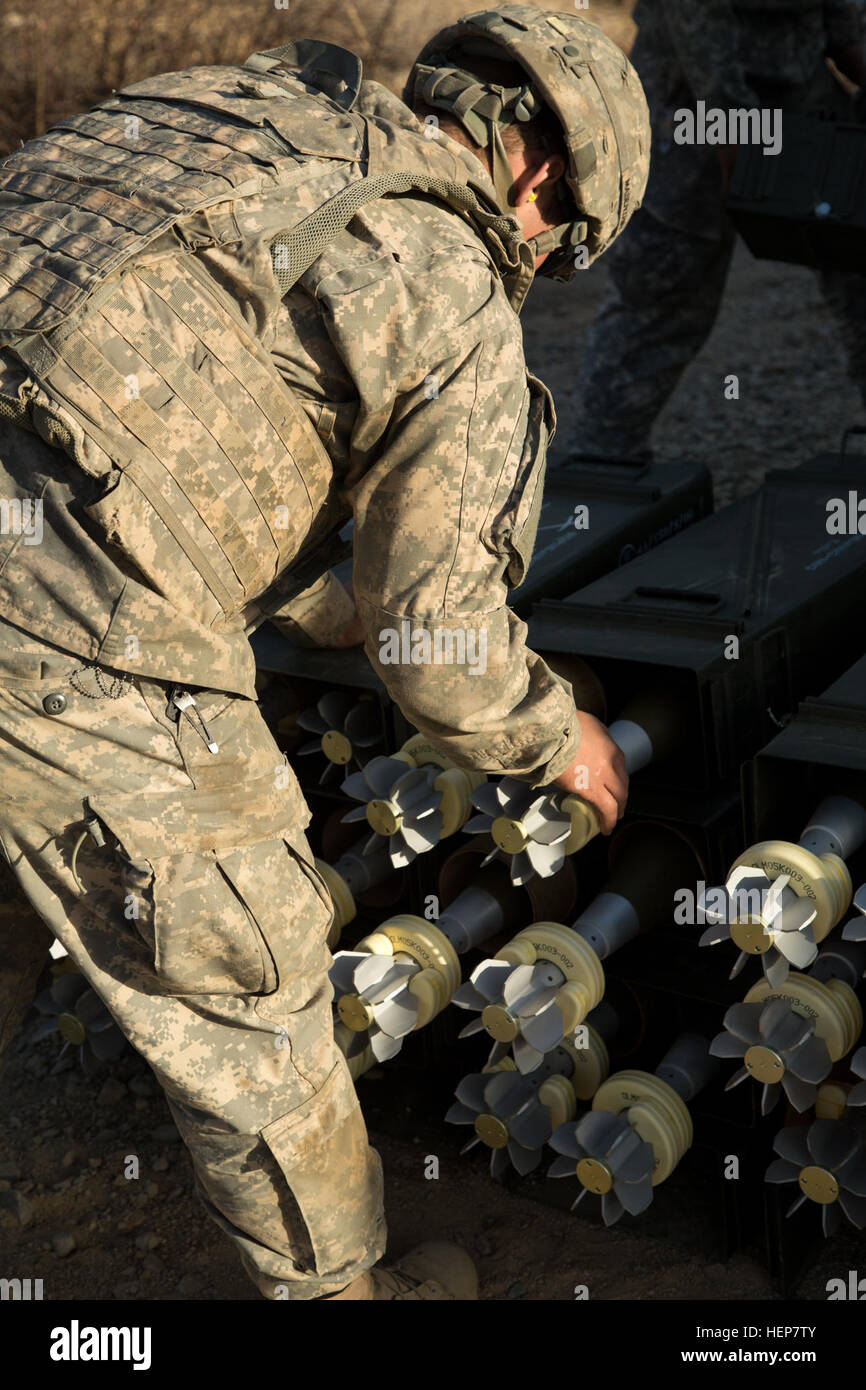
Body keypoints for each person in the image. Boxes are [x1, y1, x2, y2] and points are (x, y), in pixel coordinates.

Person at [0, 5, 648, 1300]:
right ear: (540, 178)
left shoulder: (228, 105)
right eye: (556, 247)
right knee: (253, 960)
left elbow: (173, 379)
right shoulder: (451, 281)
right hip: (62, 614)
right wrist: (548, 733)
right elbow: (432, 638)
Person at [571, 0, 866, 463]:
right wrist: (739, 148)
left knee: (858, 269)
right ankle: (601, 471)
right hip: (689, 108)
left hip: (802, 96)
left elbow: (846, 26)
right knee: (661, 297)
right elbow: (702, 36)